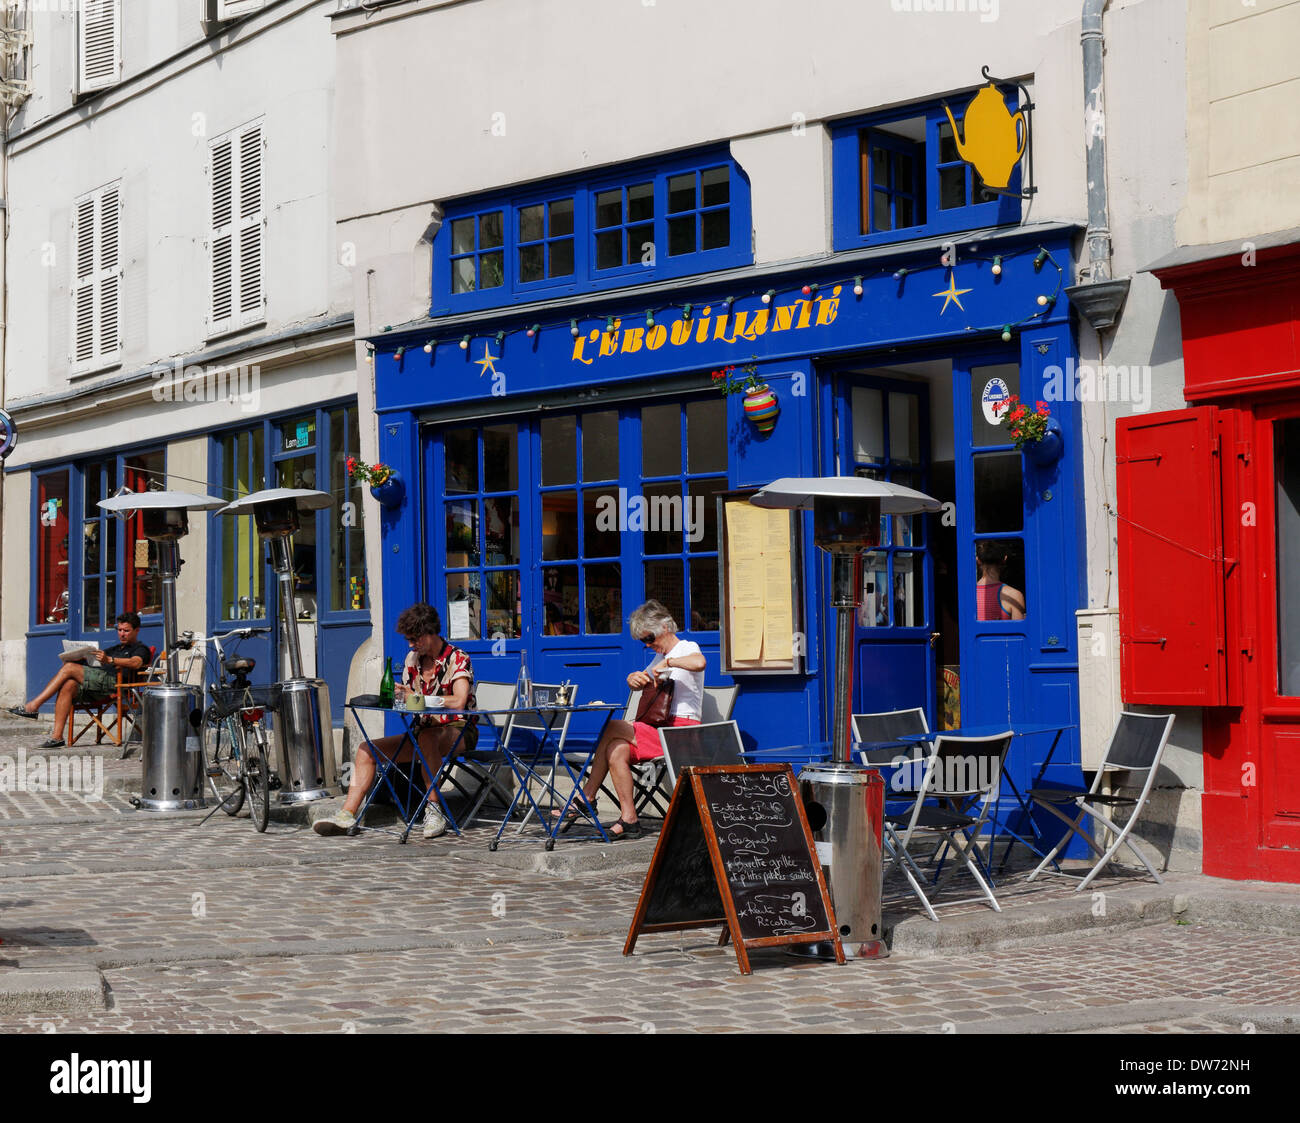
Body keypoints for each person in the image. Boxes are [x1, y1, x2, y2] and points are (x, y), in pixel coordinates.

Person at [315, 603, 477, 839]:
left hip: (459, 730)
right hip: (423, 731)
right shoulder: (413, 660)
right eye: (408, 639)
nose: (410, 644)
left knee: (428, 738)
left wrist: (420, 699)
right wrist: (400, 698)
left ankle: (434, 811)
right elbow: (413, 702)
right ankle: (347, 815)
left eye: (414, 638)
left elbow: (459, 701)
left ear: (429, 633)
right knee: (366, 750)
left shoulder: (457, 658)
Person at [570, 600, 705, 840]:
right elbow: (642, 679)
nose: (649, 644)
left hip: (681, 733)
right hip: (659, 730)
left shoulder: (685, 647)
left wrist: (670, 662)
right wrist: (632, 679)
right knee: (616, 748)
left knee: (612, 726)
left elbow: (700, 663)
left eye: (650, 638)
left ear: (665, 626)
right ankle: (629, 818)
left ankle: (587, 797)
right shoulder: (658, 656)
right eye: (644, 641)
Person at [9, 612, 152, 749]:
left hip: (114, 683)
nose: (122, 634)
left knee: (70, 669)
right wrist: (80, 657)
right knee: (69, 684)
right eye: (119, 630)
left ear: (136, 630)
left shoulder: (140, 648)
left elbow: (136, 663)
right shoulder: (115, 647)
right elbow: (95, 662)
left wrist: (110, 660)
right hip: (97, 684)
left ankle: (32, 707)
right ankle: (57, 738)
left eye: (126, 631)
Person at [975, 541, 1026, 621]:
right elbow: (1018, 632)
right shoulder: (1014, 595)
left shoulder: (968, 595)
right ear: (1004, 559)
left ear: (978, 560)